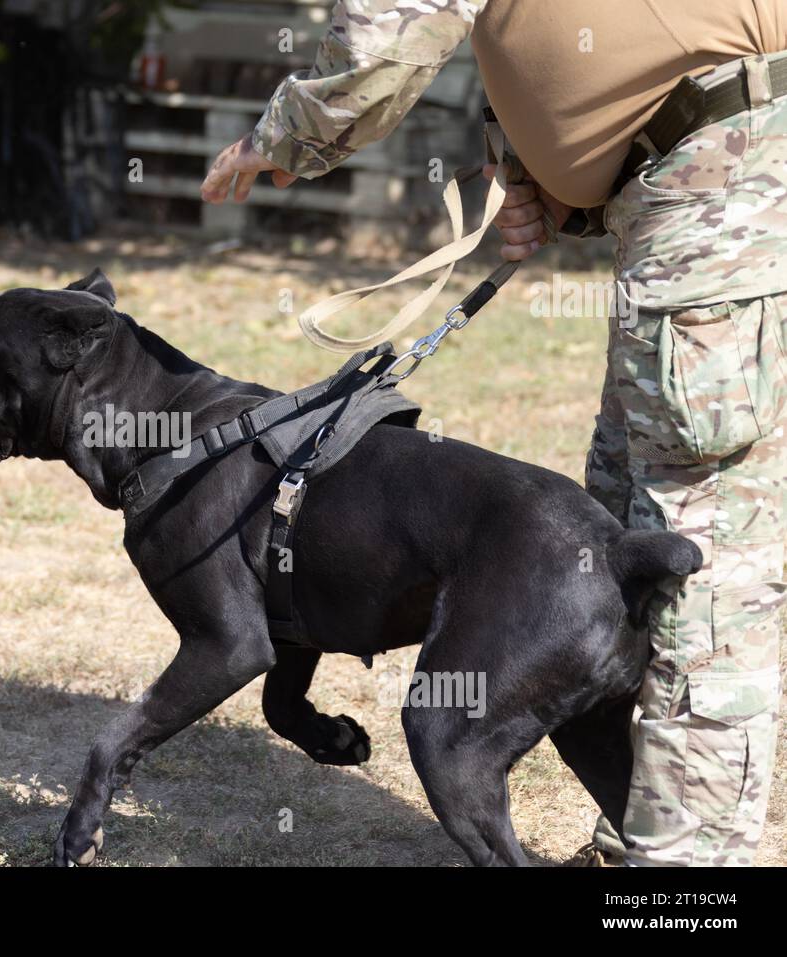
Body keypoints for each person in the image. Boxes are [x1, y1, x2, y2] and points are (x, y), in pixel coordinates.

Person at [201, 0, 787, 866]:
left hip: (721, 196)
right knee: (623, 530)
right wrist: (551, 171)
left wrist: (281, 136)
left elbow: (391, 25)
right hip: (678, 198)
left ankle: (688, 878)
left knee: (695, 560)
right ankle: (646, 840)